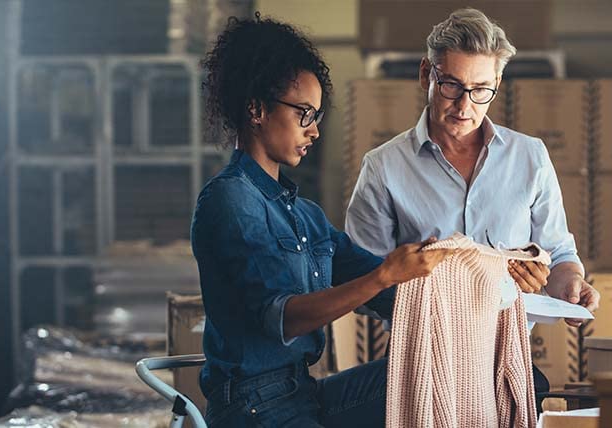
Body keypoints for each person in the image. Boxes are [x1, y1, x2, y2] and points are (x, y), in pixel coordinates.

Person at [192, 15, 455, 427]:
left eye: (316, 116)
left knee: (446, 377)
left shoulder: (305, 216)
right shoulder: (231, 200)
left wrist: (475, 273)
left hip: (304, 392)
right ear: (257, 108)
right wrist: (385, 275)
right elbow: (283, 318)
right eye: (304, 114)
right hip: (254, 408)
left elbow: (387, 290)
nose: (314, 131)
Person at [345, 8, 601, 394]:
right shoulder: (384, 168)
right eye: (451, 86)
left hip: (507, 362)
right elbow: (362, 284)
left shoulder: (530, 157)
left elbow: (558, 252)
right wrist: (465, 281)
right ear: (425, 76)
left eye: (481, 90)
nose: (465, 106)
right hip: (421, 366)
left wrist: (570, 285)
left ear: (497, 82)